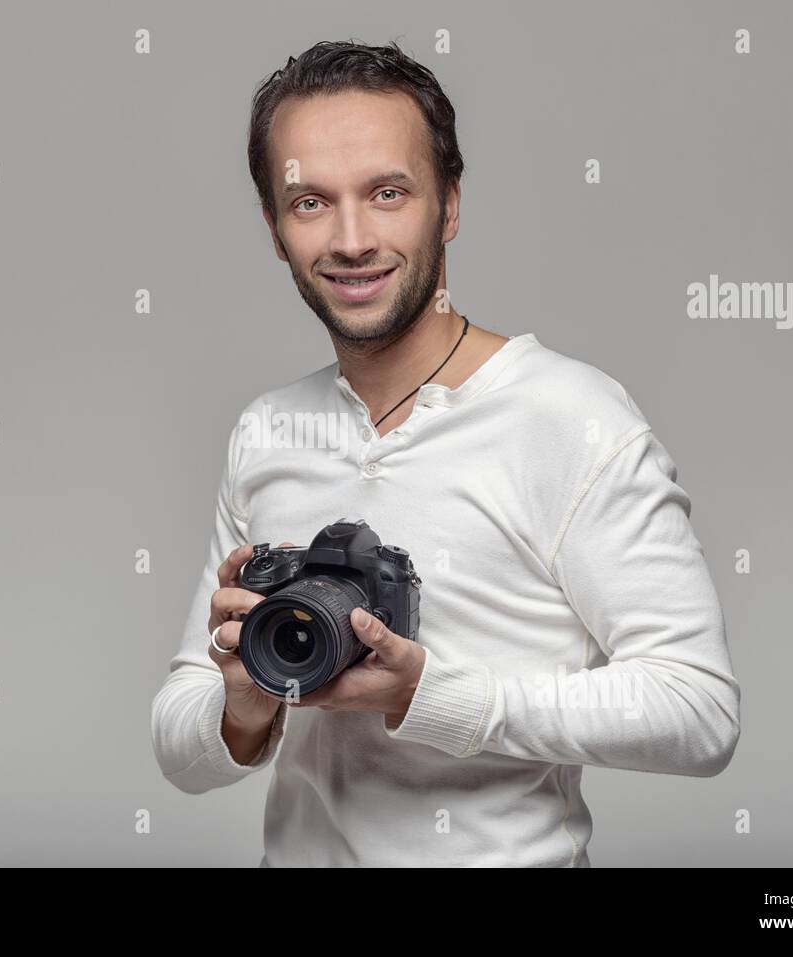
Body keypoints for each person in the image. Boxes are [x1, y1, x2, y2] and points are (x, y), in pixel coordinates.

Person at [150, 40, 741, 866]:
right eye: (312, 201)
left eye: (388, 192)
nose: (352, 239)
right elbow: (178, 739)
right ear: (276, 231)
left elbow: (698, 709)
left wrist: (433, 695)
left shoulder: (571, 418)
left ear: (450, 205)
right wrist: (244, 704)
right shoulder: (268, 428)